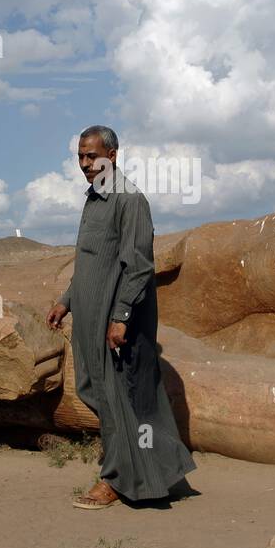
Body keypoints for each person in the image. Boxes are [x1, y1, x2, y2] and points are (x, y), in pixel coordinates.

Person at [46, 125, 197, 509]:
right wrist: (67, 300)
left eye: (91, 156)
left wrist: (122, 317)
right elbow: (91, 262)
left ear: (111, 155)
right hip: (89, 319)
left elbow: (139, 266)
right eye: (79, 156)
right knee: (93, 391)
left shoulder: (130, 200)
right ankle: (157, 470)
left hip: (116, 323)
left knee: (119, 400)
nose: (84, 164)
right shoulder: (94, 198)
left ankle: (114, 480)